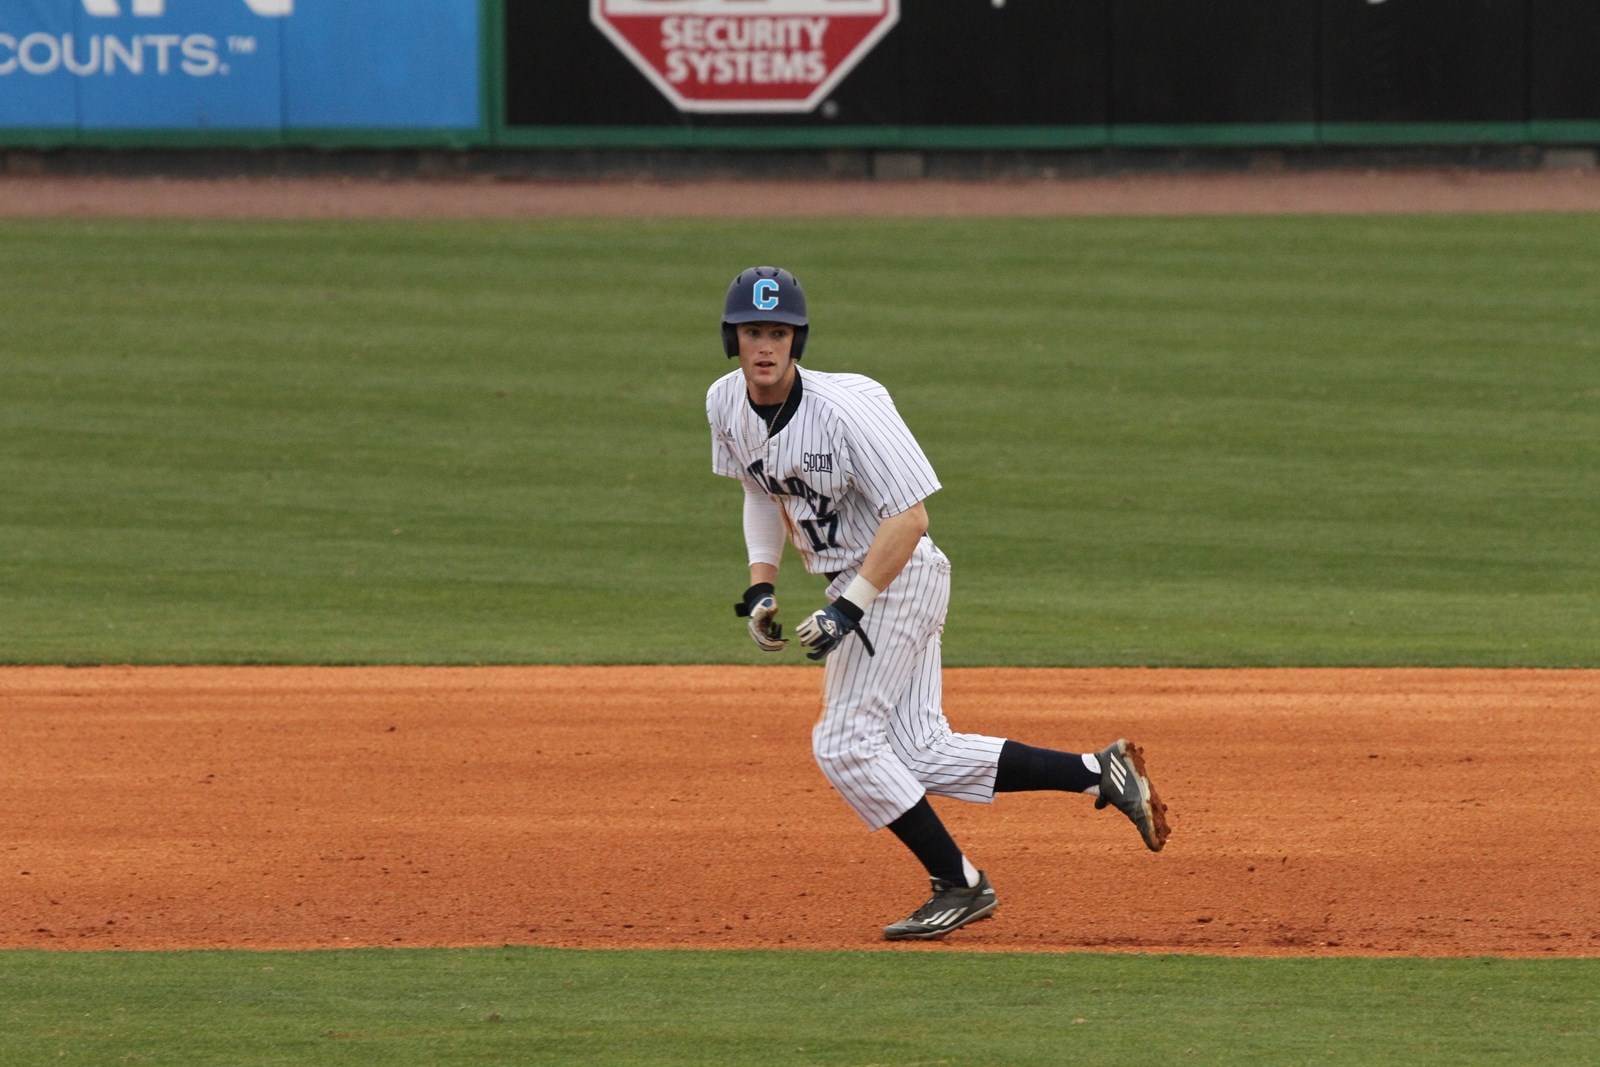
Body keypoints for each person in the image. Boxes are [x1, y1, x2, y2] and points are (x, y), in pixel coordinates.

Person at [705, 265, 1170, 941]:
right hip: (862, 583)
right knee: (919, 751)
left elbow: (911, 518)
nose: (766, 346)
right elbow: (758, 489)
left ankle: (959, 883)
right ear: (733, 339)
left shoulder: (844, 413)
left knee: (843, 743)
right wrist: (761, 584)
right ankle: (1101, 772)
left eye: (779, 332)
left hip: (896, 576)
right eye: (753, 332)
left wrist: (848, 608)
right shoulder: (724, 403)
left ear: (797, 339)